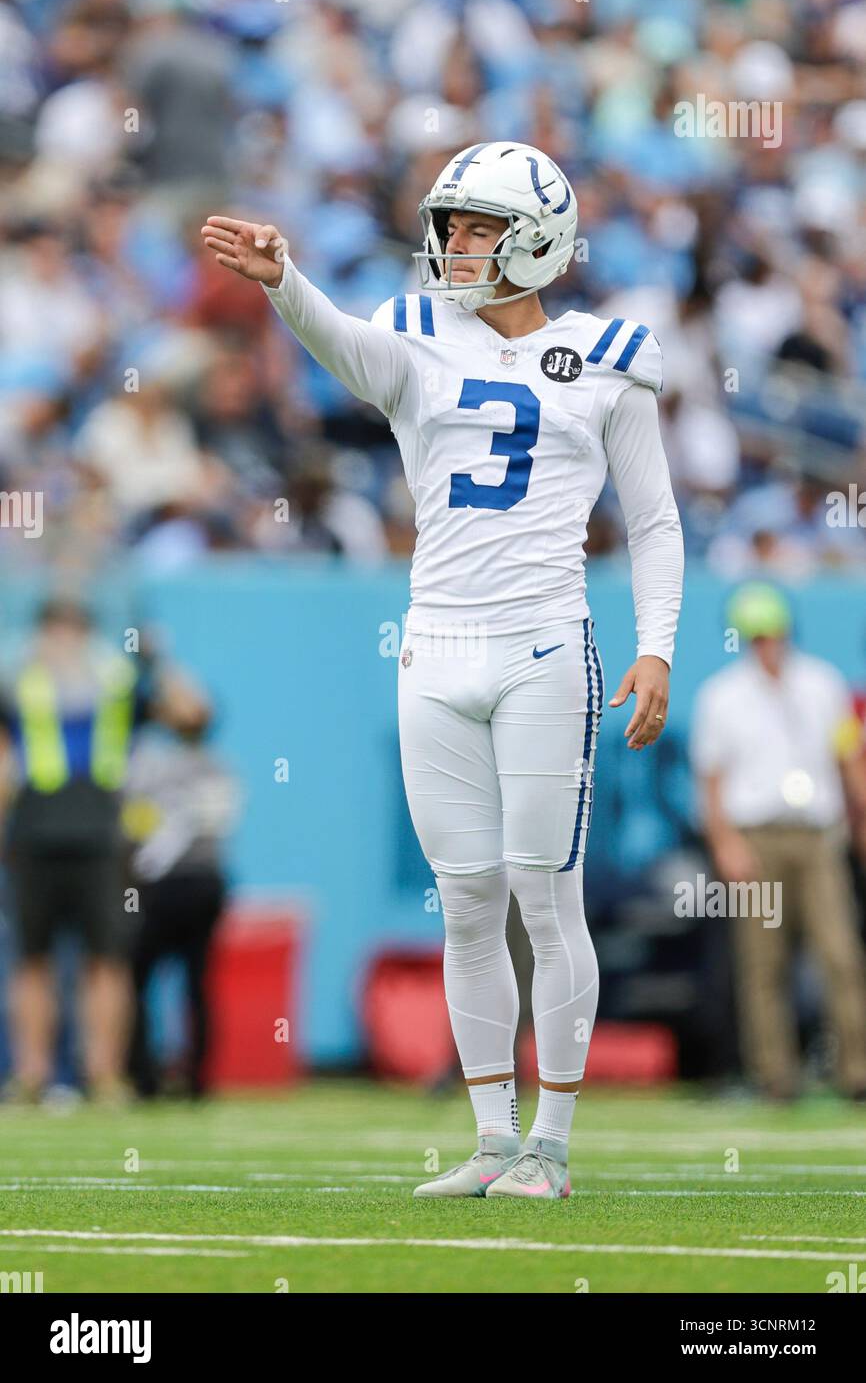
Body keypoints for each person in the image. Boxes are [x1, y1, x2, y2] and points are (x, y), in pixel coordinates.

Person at [201, 141, 684, 1198]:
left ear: (536, 239)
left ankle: (550, 1146)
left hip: (545, 643)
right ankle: (487, 1136)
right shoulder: (416, 339)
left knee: (542, 896)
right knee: (465, 900)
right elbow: (336, 341)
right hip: (434, 645)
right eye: (449, 225)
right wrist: (286, 278)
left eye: (474, 228)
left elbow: (650, 519)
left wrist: (655, 646)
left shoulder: (606, 355)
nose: (452, 245)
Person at [0, 599, 205, 1102]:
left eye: (73, 631)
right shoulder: (19, 683)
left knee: (106, 958)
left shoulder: (116, 682)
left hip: (103, 839)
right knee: (32, 958)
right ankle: (31, 1076)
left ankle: (104, 1075)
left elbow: (192, 716)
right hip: (32, 835)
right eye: (55, 631)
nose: (64, 643)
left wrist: (159, 662)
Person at [691, 582, 866, 1102]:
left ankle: (856, 1073)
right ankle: (775, 1076)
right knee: (763, 962)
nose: (769, 643)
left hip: (817, 836)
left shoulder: (822, 684)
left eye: (774, 633)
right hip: (757, 837)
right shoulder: (722, 696)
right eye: (759, 635)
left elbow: (848, 761)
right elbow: (712, 780)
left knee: (840, 953)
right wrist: (725, 842)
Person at [124, 690, 240, 1100]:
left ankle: (146, 1076)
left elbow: (136, 820)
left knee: (142, 976)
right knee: (195, 981)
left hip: (168, 884)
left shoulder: (154, 763)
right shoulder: (220, 768)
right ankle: (196, 1079)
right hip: (206, 882)